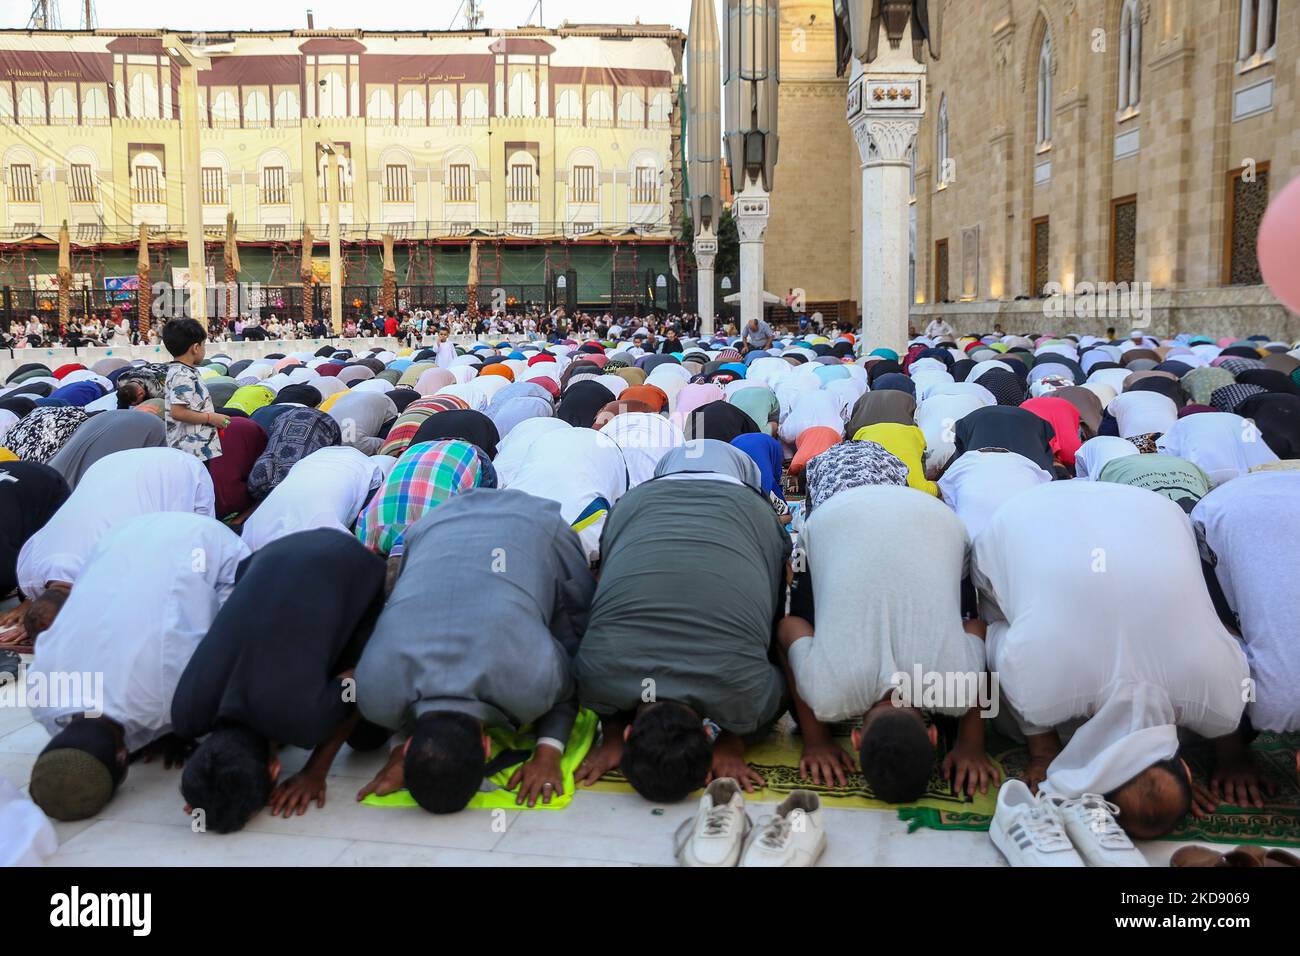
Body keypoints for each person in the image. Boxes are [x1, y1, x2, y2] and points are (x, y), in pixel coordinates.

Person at [971, 481, 1250, 839]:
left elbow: (1225, 708)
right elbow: (989, 632)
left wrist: (1233, 757)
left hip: (1151, 509)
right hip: (1016, 515)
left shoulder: (1224, 698)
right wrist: (1043, 749)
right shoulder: (1036, 693)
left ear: (1187, 767)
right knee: (1005, 624)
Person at [354, 488, 596, 813]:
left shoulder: (531, 679)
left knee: (577, 642)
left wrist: (549, 753)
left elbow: (568, 690)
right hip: (433, 523)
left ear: (486, 747)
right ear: (486, 747)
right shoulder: (371, 690)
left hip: (542, 528)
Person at [574, 442, 790, 801]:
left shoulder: (746, 695)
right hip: (721, 507)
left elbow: (777, 692)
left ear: (707, 733)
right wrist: (611, 735)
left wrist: (734, 742)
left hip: (741, 508)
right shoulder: (593, 677)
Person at [25, 512, 248, 821]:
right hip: (120, 536)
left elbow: (214, 663)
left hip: (209, 543)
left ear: (122, 757)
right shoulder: (42, 698)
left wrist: (179, 729)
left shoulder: (173, 699)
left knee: (235, 626)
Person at [777, 485, 996, 799]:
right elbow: (789, 629)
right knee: (805, 619)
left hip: (936, 519)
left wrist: (972, 744)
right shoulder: (825, 695)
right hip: (833, 518)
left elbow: (978, 628)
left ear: (932, 736)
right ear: (855, 739)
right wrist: (816, 741)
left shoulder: (955, 689)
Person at [172, 530, 387, 832]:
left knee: (368, 735)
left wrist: (316, 770)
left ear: (275, 770)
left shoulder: (304, 720)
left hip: (355, 564)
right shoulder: (184, 715)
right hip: (269, 555)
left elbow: (354, 682)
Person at [14, 447, 216, 639]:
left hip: (177, 469)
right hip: (105, 466)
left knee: (198, 552)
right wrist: (37, 619)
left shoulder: (121, 569)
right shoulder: (28, 571)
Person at [1191, 471, 1300, 808]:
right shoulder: (1278, 697)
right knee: (1204, 611)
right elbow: (1204, 641)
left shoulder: (1277, 698)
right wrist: (1232, 756)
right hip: (1224, 511)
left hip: (1259, 494)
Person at [241, 446, 387, 552]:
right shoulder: (249, 533)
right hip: (315, 460)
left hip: (362, 467)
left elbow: (362, 559)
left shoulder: (324, 533)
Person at [163, 318, 227, 461]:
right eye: (204, 345)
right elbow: (178, 412)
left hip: (196, 447)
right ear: (195, 348)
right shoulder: (183, 374)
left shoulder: (181, 370)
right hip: (191, 449)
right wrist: (211, 418)